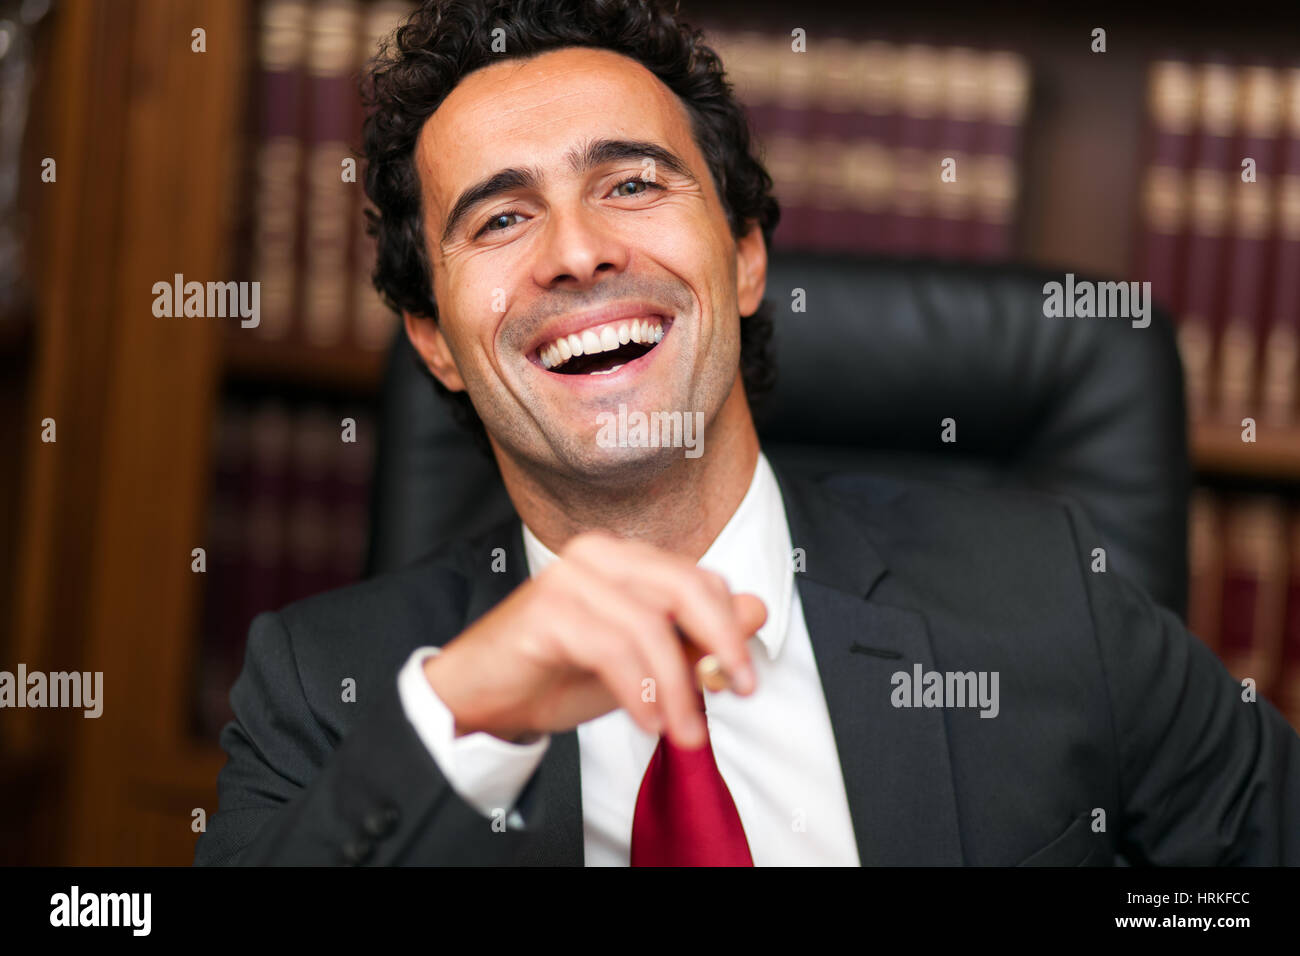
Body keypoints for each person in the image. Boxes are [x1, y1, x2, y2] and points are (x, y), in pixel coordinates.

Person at [194, 0, 1300, 866]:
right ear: (433, 337)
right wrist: (458, 724)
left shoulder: (1048, 593)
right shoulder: (327, 690)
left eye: (630, 181)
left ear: (745, 260)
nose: (575, 253)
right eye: (501, 216)